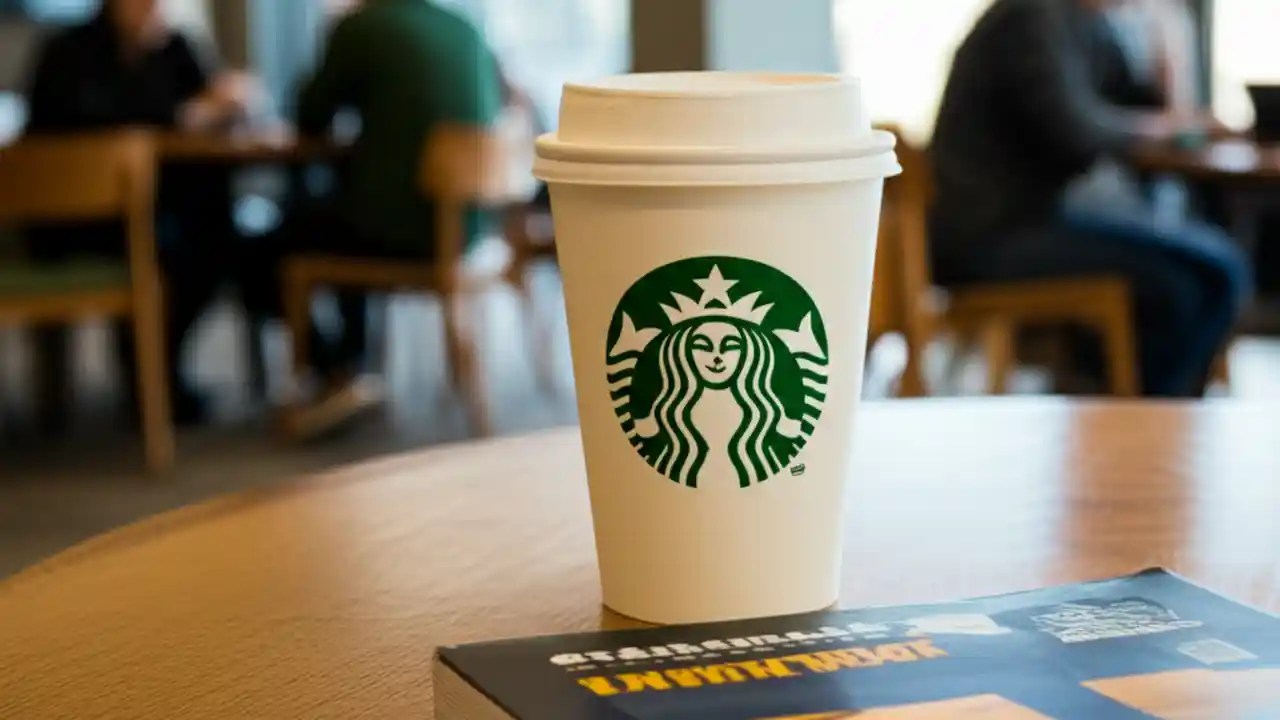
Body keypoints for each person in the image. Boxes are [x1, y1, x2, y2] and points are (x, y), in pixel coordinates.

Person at [929, 0, 1251, 397]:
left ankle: (1146, 412)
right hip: (990, 236)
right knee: (1180, 286)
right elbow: (1076, 130)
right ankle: (1135, 415)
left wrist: (1172, 55)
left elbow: (1143, 107)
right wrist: (1163, 128)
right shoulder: (1027, 18)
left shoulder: (1087, 27)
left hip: (1042, 220)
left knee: (1218, 269)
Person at [245, 0, 502, 436]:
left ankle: (339, 371)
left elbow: (308, 115)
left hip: (401, 224)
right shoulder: (463, 27)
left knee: (259, 250)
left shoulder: (362, 27)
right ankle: (354, 365)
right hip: (470, 227)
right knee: (347, 209)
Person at [25, 0, 259, 423]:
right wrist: (184, 112)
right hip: (74, 221)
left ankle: (157, 375)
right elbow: (91, 123)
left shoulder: (174, 46)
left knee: (217, 237)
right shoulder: (68, 50)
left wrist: (229, 100)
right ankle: (150, 381)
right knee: (173, 245)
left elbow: (211, 99)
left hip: (156, 210)